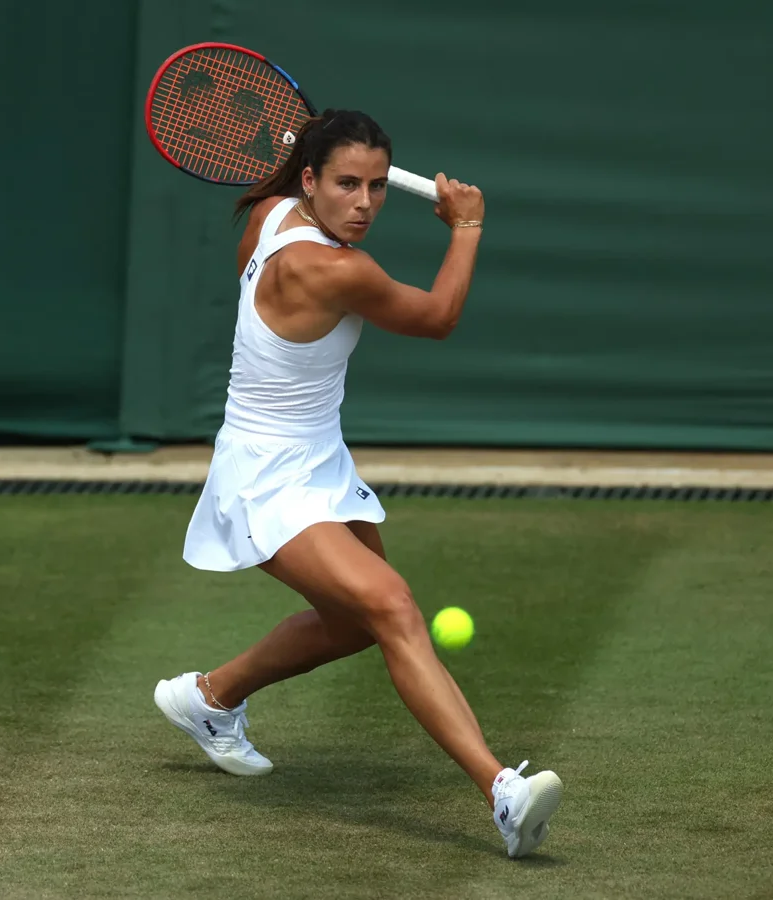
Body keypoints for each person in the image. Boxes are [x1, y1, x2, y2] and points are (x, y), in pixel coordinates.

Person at [152, 109, 563, 859]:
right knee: (394, 606)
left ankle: (208, 697)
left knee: (352, 624)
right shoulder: (332, 268)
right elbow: (438, 317)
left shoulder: (272, 212)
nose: (366, 202)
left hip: (318, 462)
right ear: (308, 179)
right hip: (266, 478)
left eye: (376, 185)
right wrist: (465, 227)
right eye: (346, 184)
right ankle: (501, 790)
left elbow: (304, 209)